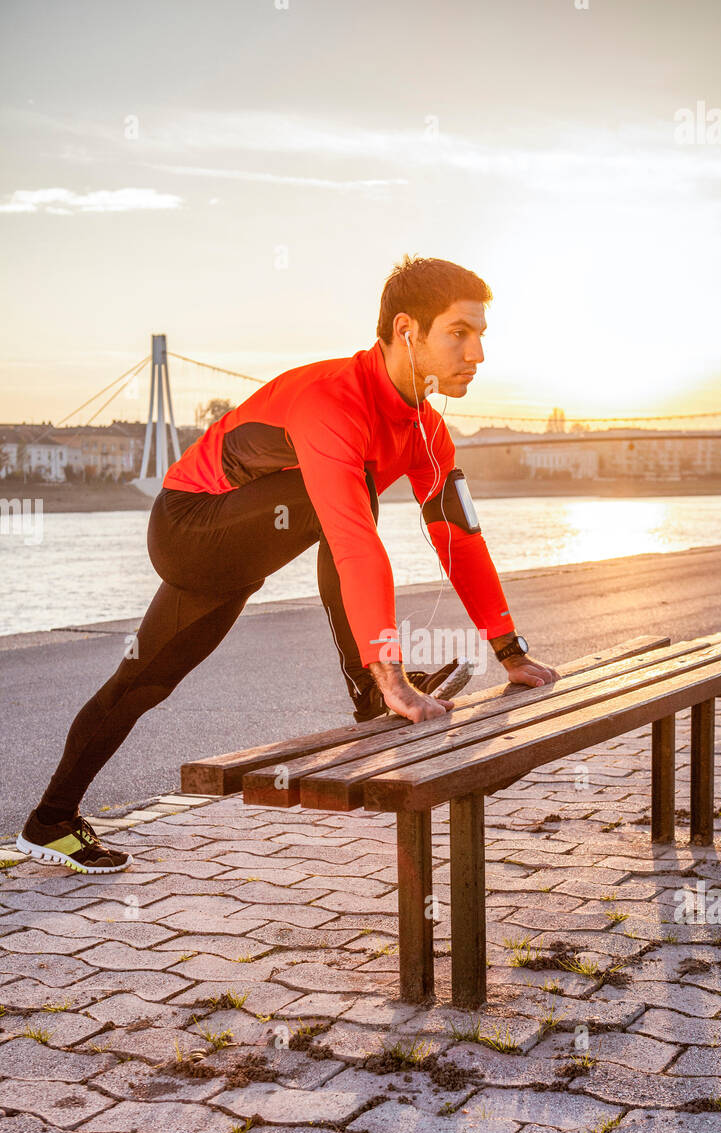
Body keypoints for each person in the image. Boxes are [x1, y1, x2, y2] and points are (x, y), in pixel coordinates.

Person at [17, 255, 558, 874]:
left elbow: (461, 538)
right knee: (343, 498)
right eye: (459, 333)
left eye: (482, 335)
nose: (477, 353)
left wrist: (509, 650)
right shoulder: (333, 400)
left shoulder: (426, 431)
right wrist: (392, 677)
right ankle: (372, 690)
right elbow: (353, 540)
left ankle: (50, 821)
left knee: (145, 681)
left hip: (240, 554)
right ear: (408, 330)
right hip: (190, 526)